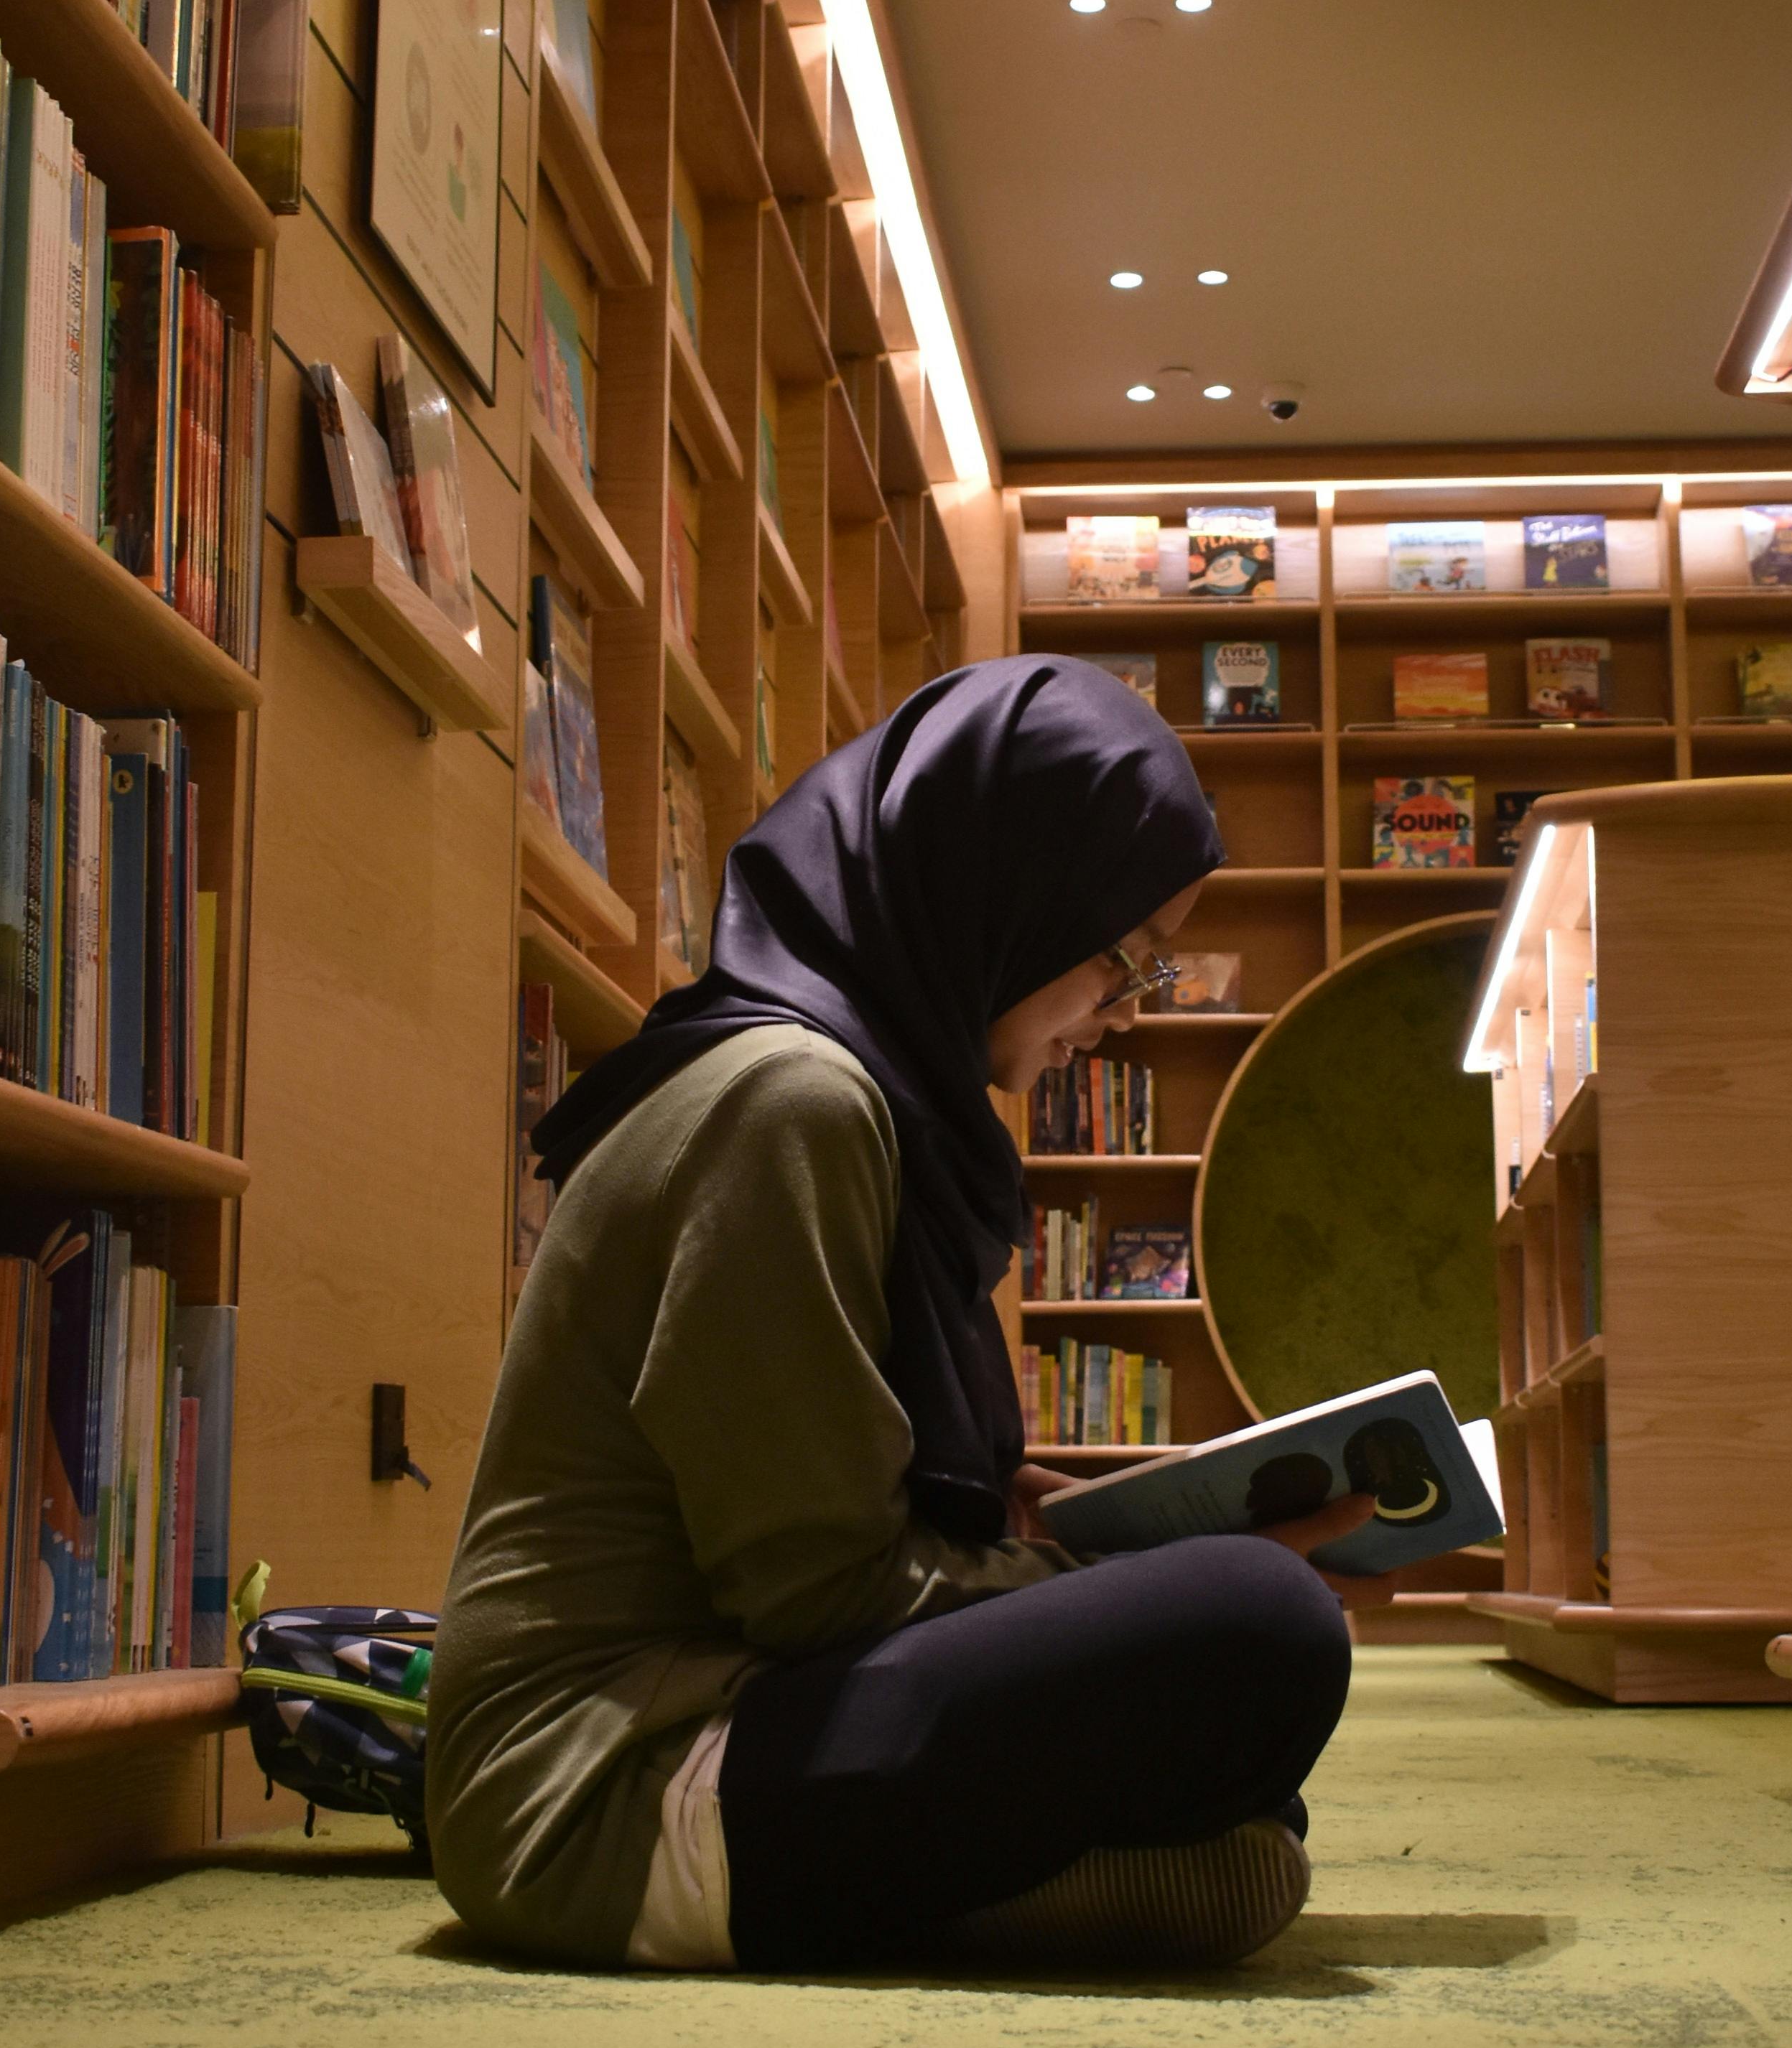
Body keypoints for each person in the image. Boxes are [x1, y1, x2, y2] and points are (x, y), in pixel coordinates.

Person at [427, 656, 1360, 1973]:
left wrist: (1036, 1532)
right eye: (1121, 964)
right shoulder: (789, 1105)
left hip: (742, 1704)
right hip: (601, 1789)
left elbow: (833, 1517)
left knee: (1226, 1680)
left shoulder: (876, 1105)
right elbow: (822, 1589)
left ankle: (1050, 1867)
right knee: (1261, 1626)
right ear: (1007, 893)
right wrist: (1114, 1586)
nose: (1119, 1021)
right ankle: (1066, 1868)